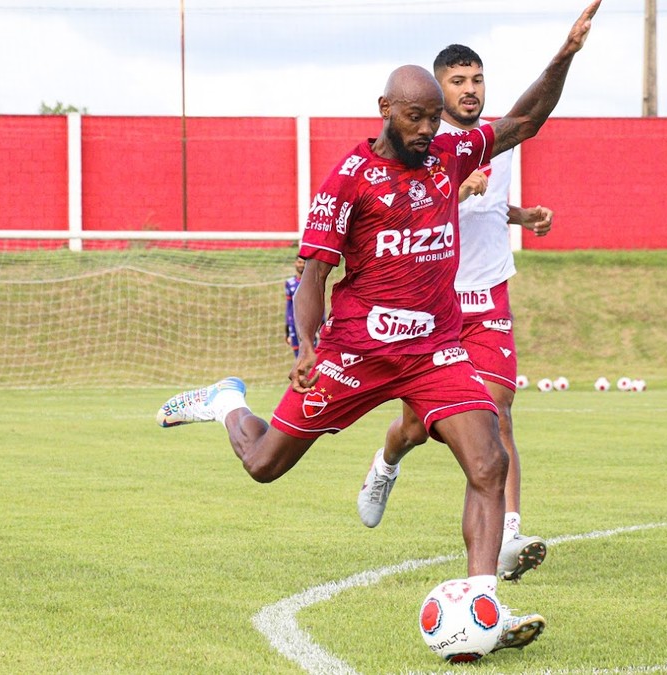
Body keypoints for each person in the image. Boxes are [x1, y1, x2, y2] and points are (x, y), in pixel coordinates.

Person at [155, 0, 601, 654]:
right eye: (415, 116)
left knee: (489, 459)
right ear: (386, 109)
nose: (427, 128)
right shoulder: (349, 180)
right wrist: (307, 345)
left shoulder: (450, 151)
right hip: (355, 352)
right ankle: (226, 402)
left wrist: (565, 54)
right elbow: (312, 273)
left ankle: (482, 607)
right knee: (263, 463)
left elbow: (527, 119)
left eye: (433, 116)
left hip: (435, 350)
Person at [356, 44, 555, 585]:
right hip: (432, 304)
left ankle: (509, 534)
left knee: (497, 412)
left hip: (488, 294)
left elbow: (491, 204)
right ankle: (387, 462)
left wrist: (521, 215)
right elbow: (397, 210)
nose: (470, 89)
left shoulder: (500, 140)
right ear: (434, 91)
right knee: (419, 427)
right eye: (457, 80)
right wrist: (455, 191)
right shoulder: (420, 146)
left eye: (477, 79)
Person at [284, 256, 306, 357]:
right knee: (298, 357)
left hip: (308, 324)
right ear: (295, 263)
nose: (301, 265)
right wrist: (287, 330)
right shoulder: (289, 283)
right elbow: (289, 306)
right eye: (299, 262)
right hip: (294, 325)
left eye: (304, 263)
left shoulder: (312, 282)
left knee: (310, 355)